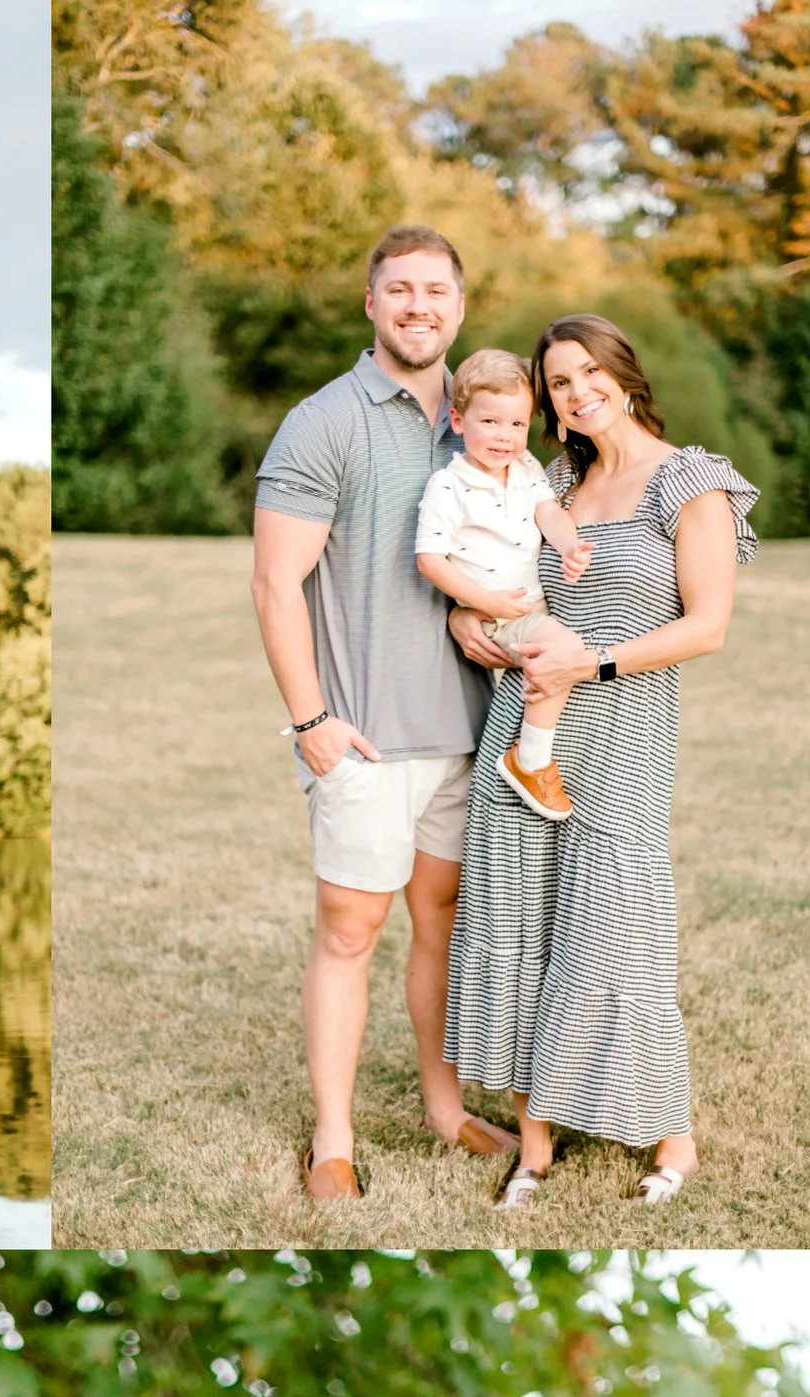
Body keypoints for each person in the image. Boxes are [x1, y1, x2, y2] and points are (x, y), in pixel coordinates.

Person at [443, 313, 758, 1209]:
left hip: (621, 729)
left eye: (588, 374)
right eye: (558, 384)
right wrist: (471, 624)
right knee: (512, 920)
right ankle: (534, 1144)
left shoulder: (688, 481)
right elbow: (485, 567)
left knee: (617, 924)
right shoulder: (549, 479)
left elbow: (708, 625)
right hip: (523, 725)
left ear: (622, 371)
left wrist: (596, 660)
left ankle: (671, 1133)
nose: (577, 395)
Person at [252, 223, 522, 1201]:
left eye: (435, 292)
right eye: (398, 290)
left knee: (439, 923)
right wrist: (311, 721)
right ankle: (332, 1138)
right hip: (360, 734)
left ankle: (445, 1110)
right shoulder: (322, 422)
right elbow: (275, 583)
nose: (417, 306)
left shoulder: (484, 420)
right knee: (348, 930)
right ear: (371, 304)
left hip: (465, 728)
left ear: (458, 305)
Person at [413, 350, 594, 820]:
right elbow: (430, 560)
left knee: (559, 652)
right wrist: (484, 602)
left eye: (516, 425)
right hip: (496, 616)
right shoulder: (448, 487)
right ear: (458, 419)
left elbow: (549, 512)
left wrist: (570, 545)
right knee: (563, 650)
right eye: (490, 421)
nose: (504, 436)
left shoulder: (528, 468)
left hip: (528, 607)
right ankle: (530, 758)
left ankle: (532, 752)